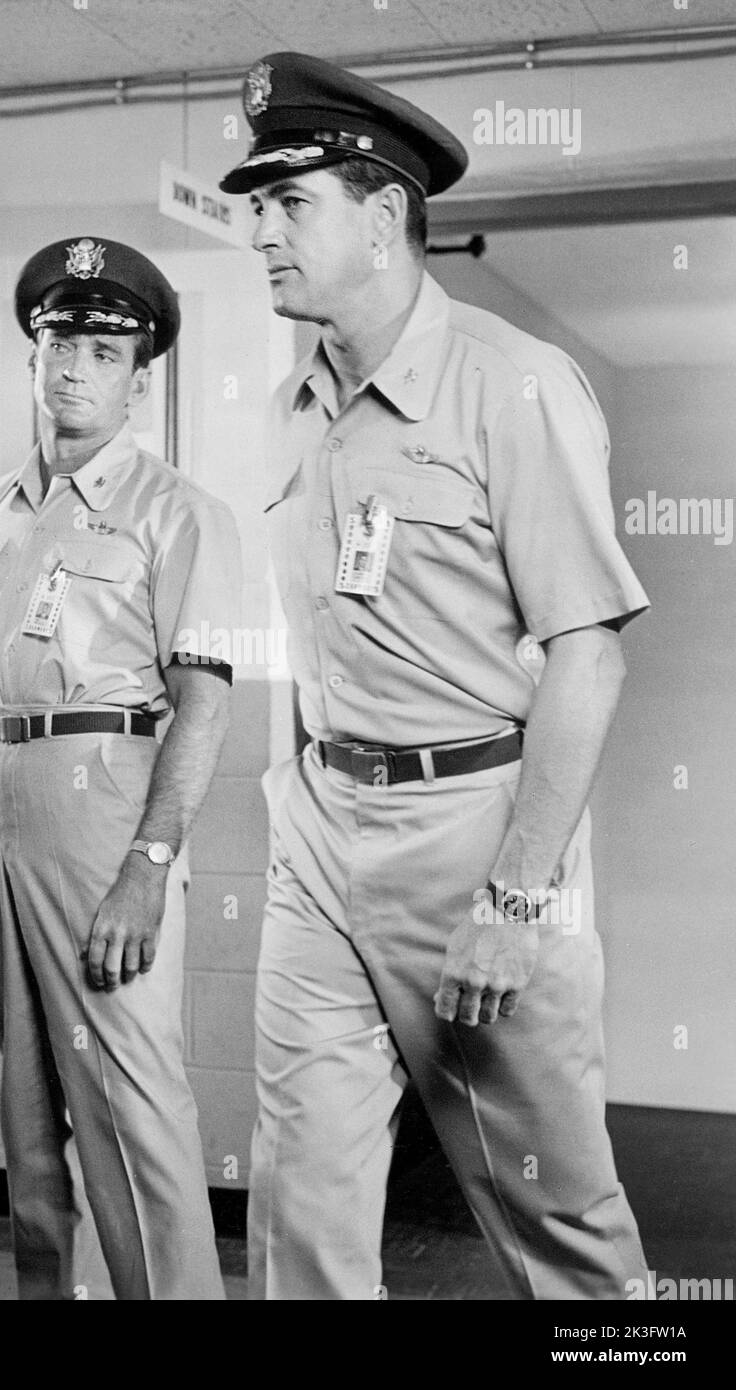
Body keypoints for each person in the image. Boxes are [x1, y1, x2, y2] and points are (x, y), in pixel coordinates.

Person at [220, 51, 651, 1300]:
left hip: (476, 837)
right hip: (317, 834)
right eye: (254, 206)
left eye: (288, 203)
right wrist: (295, 793)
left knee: (559, 1223)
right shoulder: (289, 405)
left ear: (385, 214)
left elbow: (589, 652)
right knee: (298, 1204)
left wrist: (516, 899)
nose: (261, 233)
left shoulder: (511, 388)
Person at [0, 237, 240, 1300]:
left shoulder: (181, 513)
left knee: (132, 1110)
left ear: (141, 381)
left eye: (103, 350)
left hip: (109, 810)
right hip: (4, 798)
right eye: (57, 343)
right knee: (30, 1109)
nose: (73, 369)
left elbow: (204, 703)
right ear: (32, 358)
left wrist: (150, 861)